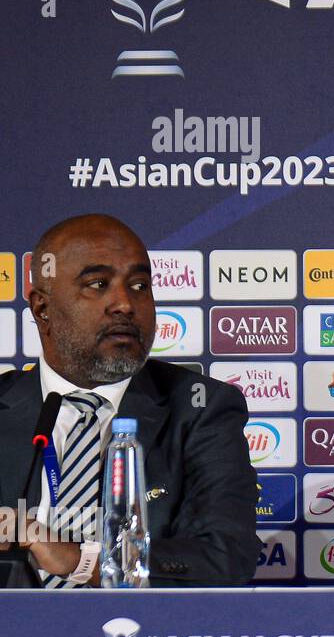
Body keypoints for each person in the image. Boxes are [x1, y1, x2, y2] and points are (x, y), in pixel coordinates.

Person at [0, 214, 258, 587]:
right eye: (98, 284)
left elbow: (225, 557)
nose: (124, 303)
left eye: (139, 285)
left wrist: (80, 560)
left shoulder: (201, 410)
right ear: (43, 309)